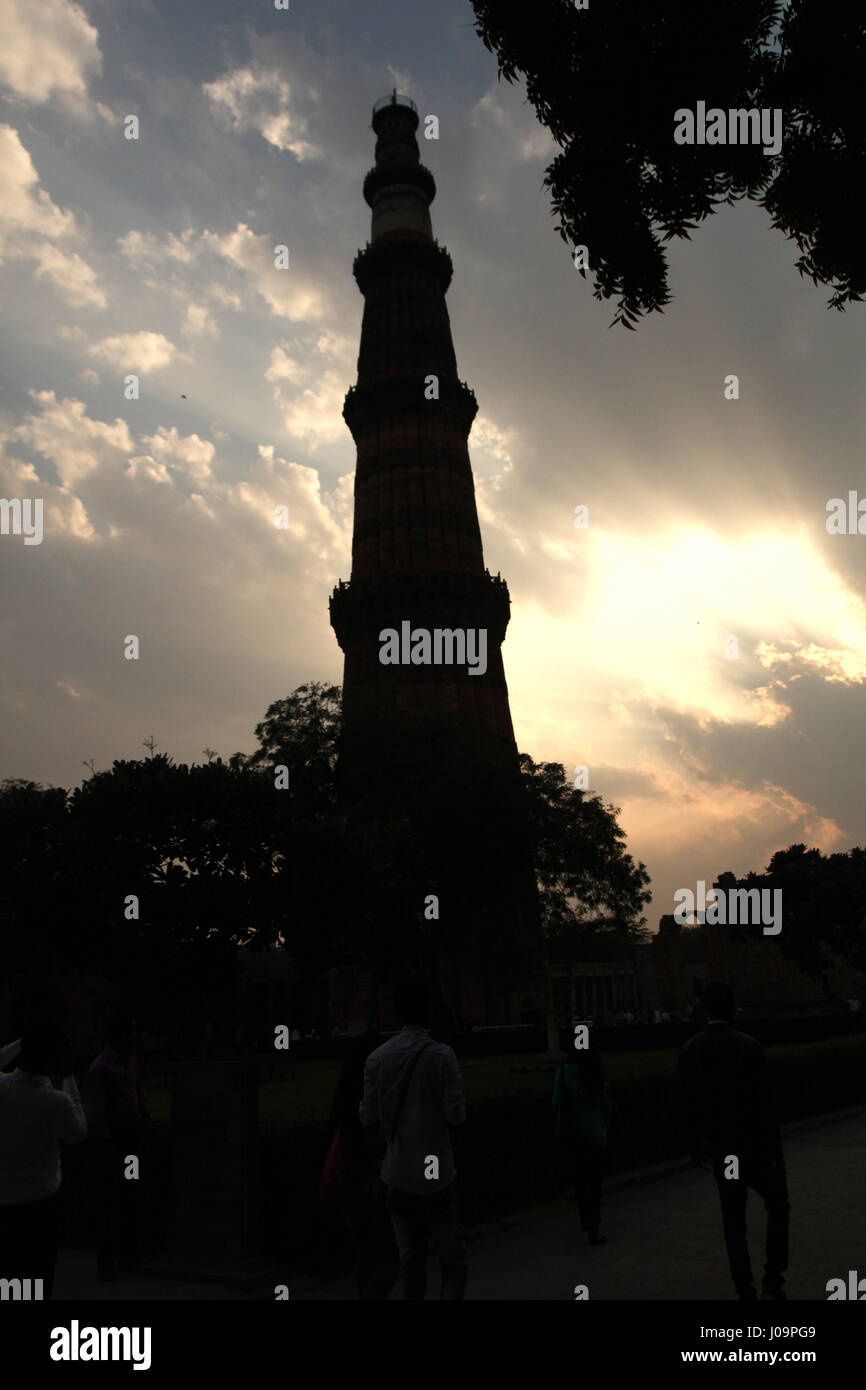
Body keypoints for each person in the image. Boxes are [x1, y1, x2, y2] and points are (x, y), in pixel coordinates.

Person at [678, 981, 789, 1301]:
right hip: (756, 1147)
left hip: (725, 1152)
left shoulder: (692, 1049)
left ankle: (744, 1288)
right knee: (778, 1207)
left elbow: (687, 1105)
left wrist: (695, 1145)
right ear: (731, 1008)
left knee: (733, 1218)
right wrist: (775, 1151)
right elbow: (765, 1104)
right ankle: (773, 1281)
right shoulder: (749, 1046)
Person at [359, 973, 467, 1299]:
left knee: (412, 1263)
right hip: (437, 1172)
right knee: (452, 1265)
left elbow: (367, 1117)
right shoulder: (442, 1056)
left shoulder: (377, 1058)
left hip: (399, 1172)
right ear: (428, 1011)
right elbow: (456, 1116)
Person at [0, 1020, 87, 1297]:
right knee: (37, 1276)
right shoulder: (56, 1102)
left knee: (9, 1278)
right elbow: (78, 1132)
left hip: (3, 1204)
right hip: (39, 1206)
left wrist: (25, 1038)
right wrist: (70, 1076)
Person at [324, 1030, 400, 1299]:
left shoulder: (346, 1099)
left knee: (367, 1260)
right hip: (374, 1189)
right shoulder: (379, 1098)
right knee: (390, 1262)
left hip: (349, 1190)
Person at [86, 1010, 149, 1282]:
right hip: (112, 1143)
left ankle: (128, 1255)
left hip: (130, 1139)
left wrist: (143, 1110)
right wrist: (107, 1145)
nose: (135, 1035)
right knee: (109, 1202)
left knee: (129, 1197)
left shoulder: (129, 1061)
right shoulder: (100, 1068)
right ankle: (107, 1262)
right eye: (131, 1029)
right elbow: (98, 1114)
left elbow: (136, 1088)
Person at [553, 1047, 614, 1245]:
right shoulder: (597, 1072)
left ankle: (584, 1219)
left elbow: (556, 1103)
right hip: (596, 1135)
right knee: (595, 1184)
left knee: (579, 1181)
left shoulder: (563, 1073)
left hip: (573, 1135)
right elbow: (606, 1103)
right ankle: (594, 1228)